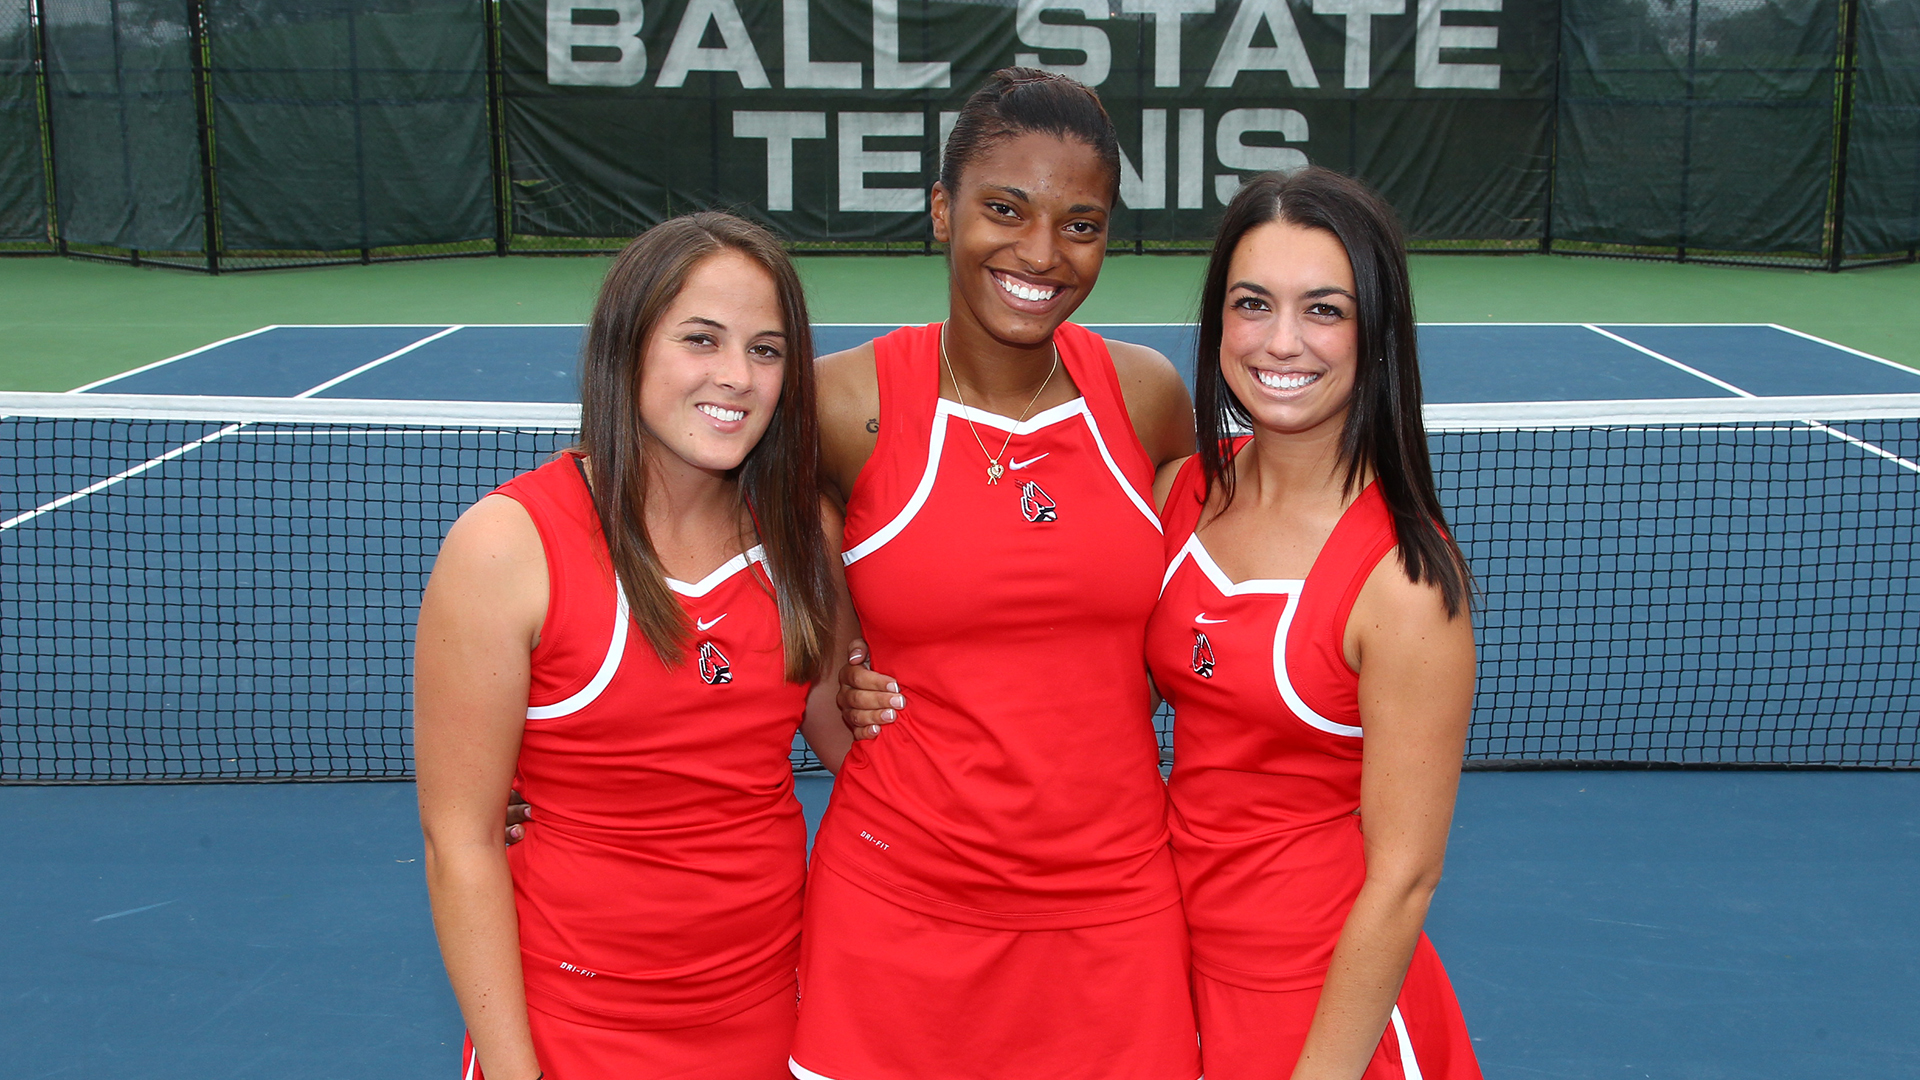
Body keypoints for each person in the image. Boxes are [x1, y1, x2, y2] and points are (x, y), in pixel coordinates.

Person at [794, 68, 1201, 1080]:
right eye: (1004, 210)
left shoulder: (1147, 399)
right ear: (943, 211)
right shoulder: (843, 408)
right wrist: (546, 770)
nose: (1040, 253)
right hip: (899, 909)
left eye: (1081, 223)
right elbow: (742, 602)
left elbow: (1222, 612)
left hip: (1115, 914)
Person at [416, 212, 859, 1080]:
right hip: (576, 1028)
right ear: (629, 347)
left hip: (773, 1013)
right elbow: (459, 841)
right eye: (702, 339)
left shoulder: (804, 532)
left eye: (767, 351)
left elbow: (848, 735)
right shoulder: (506, 548)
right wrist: (515, 1069)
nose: (736, 377)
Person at [1147, 167, 1480, 1079]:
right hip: (1175, 969)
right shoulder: (1181, 493)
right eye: (1253, 303)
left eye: (1323, 309)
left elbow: (1404, 880)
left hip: (1324, 1006)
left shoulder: (1406, 584)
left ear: (1376, 331)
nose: (1281, 341)